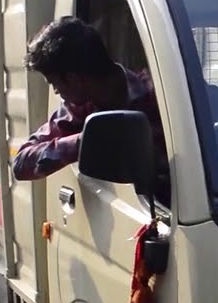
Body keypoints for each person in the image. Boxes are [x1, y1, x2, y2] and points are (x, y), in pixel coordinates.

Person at [12, 16, 165, 190]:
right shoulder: (80, 107)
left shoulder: (157, 98)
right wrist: (83, 142)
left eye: (55, 83)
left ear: (74, 79)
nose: (56, 91)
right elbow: (21, 163)